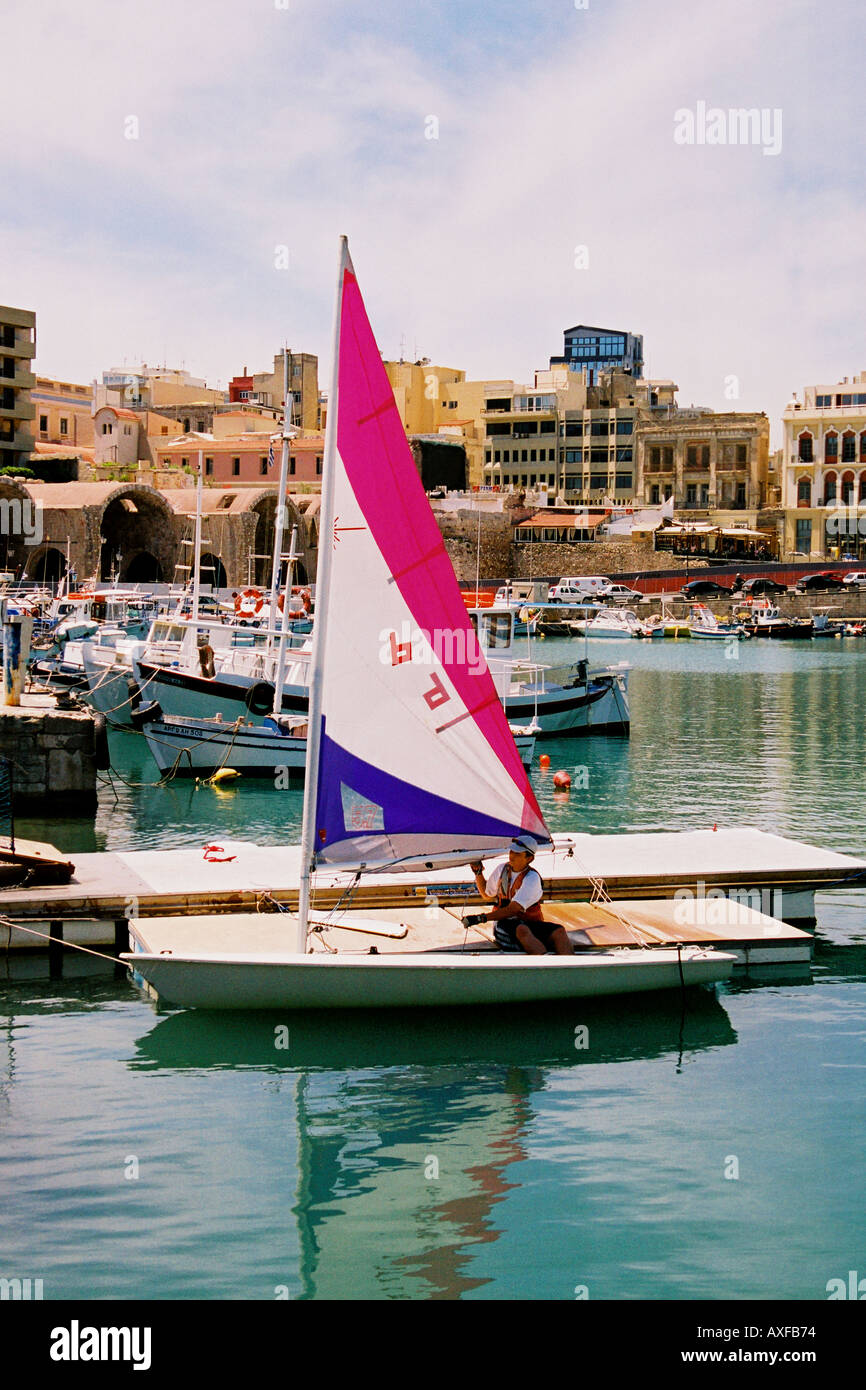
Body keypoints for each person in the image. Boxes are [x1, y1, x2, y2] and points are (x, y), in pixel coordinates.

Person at [464, 835, 574, 955]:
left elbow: (513, 909)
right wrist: (478, 872)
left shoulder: (532, 878)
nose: (512, 856)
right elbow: (486, 893)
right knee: (522, 930)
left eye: (518, 853)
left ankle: (567, 968)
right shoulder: (502, 870)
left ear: (529, 858)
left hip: (530, 924)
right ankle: (543, 965)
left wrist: (480, 918)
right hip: (503, 925)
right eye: (512, 851)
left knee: (559, 931)